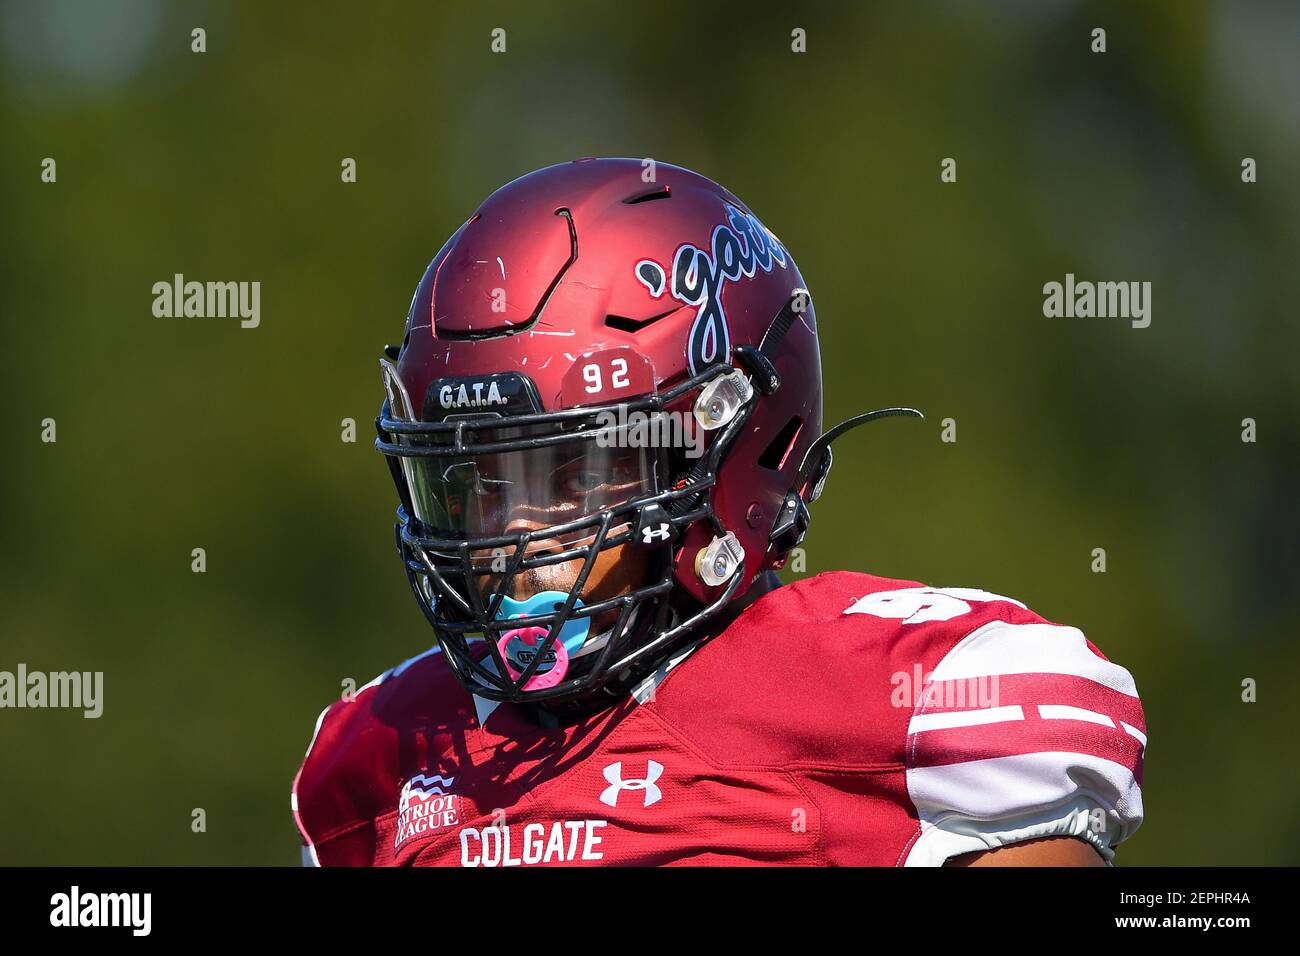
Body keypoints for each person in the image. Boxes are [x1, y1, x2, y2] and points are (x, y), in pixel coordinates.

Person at [291, 158, 1145, 867]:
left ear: (728, 439)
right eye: (480, 482)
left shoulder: (912, 696)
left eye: (570, 472)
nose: (514, 530)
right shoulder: (382, 756)